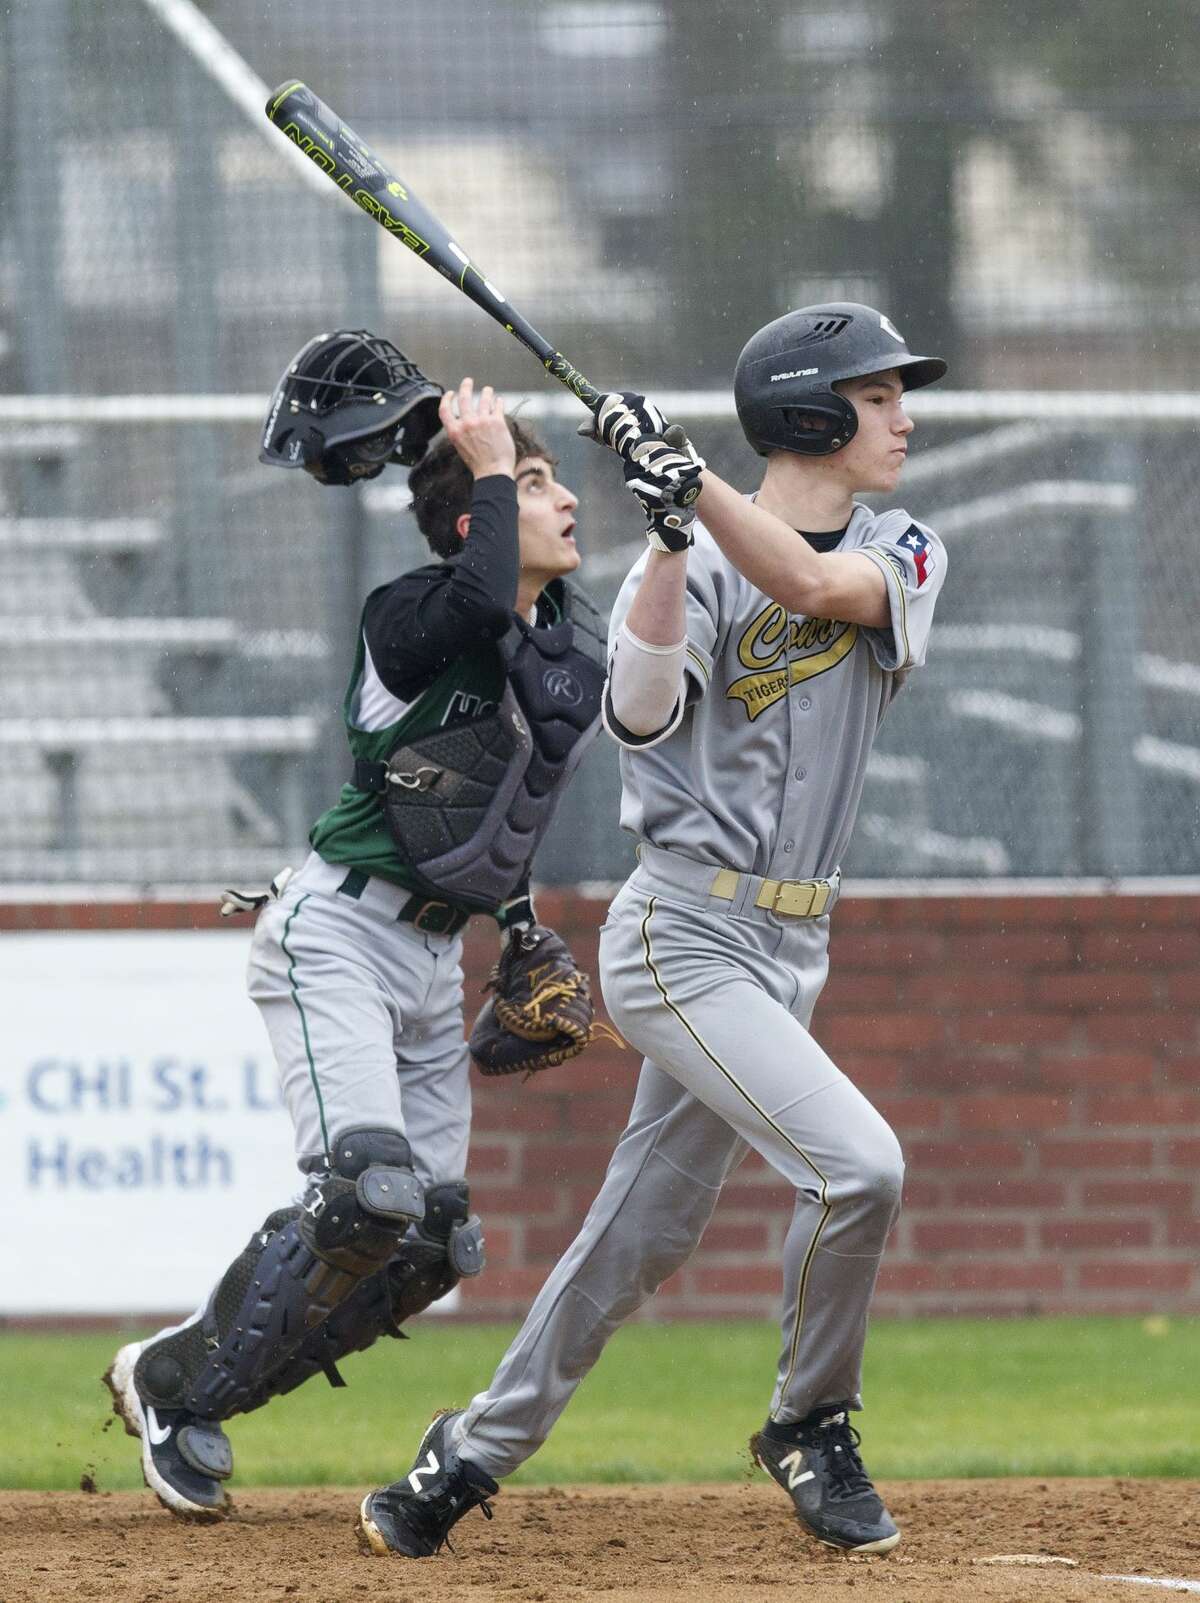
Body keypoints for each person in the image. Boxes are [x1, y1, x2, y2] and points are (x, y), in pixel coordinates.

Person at [355, 302, 948, 1559]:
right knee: (862, 1167)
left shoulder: (904, 546)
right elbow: (633, 710)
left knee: (638, 1235)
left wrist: (694, 483)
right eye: (879, 396)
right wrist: (672, 535)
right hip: (681, 937)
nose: (903, 417)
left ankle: (463, 1456)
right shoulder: (685, 555)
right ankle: (812, 1419)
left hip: (792, 951)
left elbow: (811, 581)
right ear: (813, 411)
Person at [104, 330, 607, 1520]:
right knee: (364, 1192)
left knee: (427, 1241)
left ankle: (181, 1382)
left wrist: (521, 931)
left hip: (436, 954)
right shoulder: (415, 609)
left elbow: (496, 809)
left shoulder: (549, 644)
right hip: (336, 931)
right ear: (467, 519)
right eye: (535, 483)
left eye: (545, 477)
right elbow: (479, 586)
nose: (561, 495)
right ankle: (182, 1394)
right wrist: (484, 458)